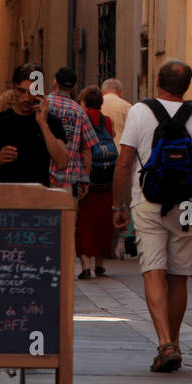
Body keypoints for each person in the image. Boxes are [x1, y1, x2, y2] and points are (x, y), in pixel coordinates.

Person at [113, 60, 192, 372]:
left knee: (153, 271)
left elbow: (124, 162)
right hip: (186, 204)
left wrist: (118, 205)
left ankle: (165, 343)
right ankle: (172, 341)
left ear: (157, 80)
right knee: (178, 277)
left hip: (148, 199)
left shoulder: (140, 111)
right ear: (186, 85)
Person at [0, 63, 68, 184]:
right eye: (21, 91)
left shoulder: (51, 122)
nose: (26, 98)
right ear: (14, 87)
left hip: (37, 197)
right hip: (3, 195)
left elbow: (62, 162)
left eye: (32, 92)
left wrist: (43, 124)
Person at [75, 85, 116, 279]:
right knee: (103, 221)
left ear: (83, 102)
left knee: (85, 222)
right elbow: (112, 137)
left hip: (88, 177)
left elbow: (81, 145)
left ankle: (85, 265)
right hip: (107, 179)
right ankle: (100, 264)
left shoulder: (81, 118)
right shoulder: (108, 121)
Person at [45, 66, 99, 197]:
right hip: (67, 181)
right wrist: (85, 180)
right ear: (75, 86)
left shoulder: (43, 105)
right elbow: (87, 150)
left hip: (42, 178)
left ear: (55, 82)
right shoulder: (80, 112)